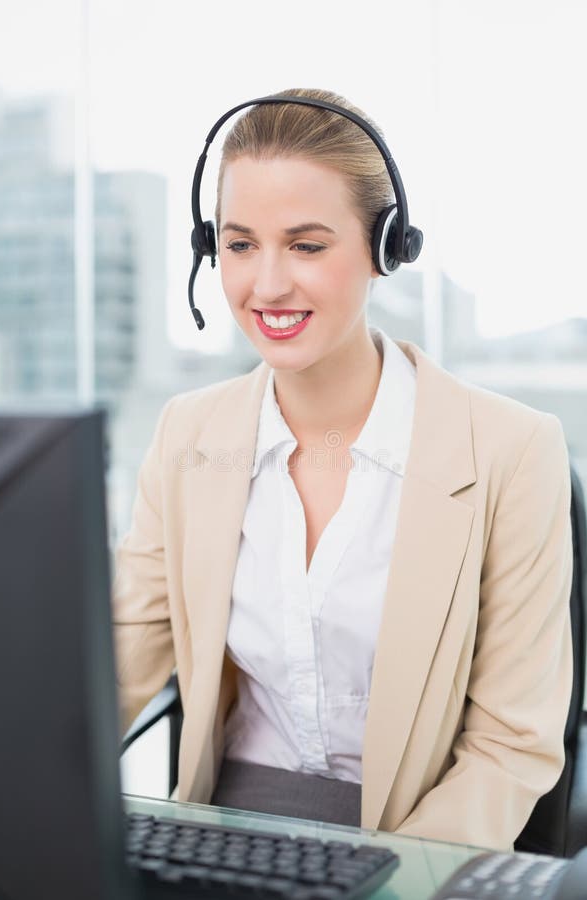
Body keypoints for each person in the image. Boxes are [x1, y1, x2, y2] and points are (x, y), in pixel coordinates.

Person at [112, 87, 573, 852]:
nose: (267, 285)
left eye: (307, 246)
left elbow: (511, 746)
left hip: (417, 846)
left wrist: (388, 880)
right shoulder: (188, 436)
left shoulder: (512, 450)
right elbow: (114, 670)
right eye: (240, 245)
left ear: (385, 249)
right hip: (225, 835)